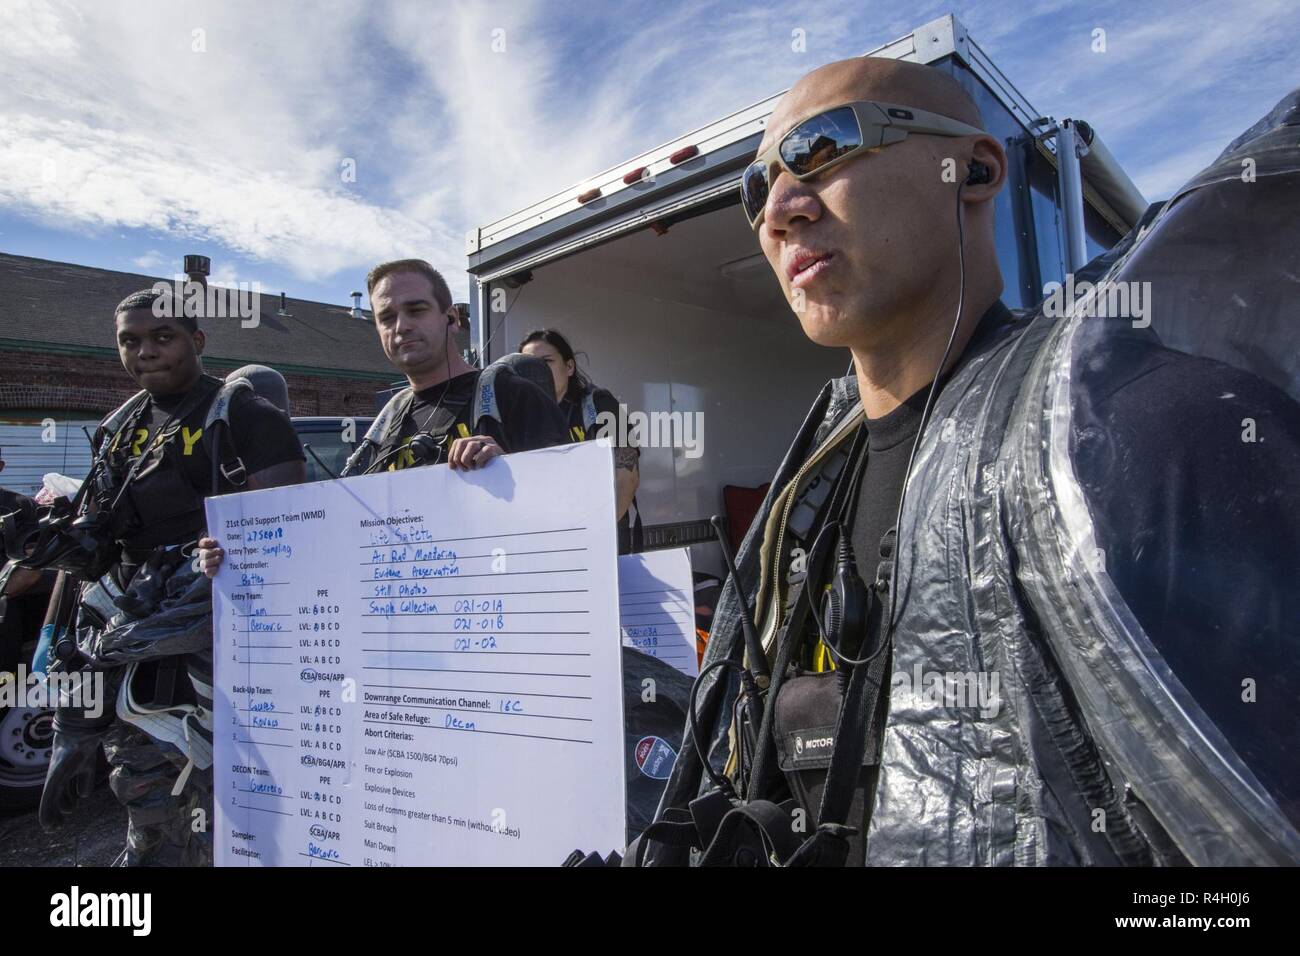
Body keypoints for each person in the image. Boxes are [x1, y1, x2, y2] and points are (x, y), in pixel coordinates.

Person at [636, 59, 1300, 867]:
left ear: (976, 170)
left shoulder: (1147, 430)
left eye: (821, 148)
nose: (778, 210)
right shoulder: (803, 496)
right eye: (755, 190)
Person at [23, 286, 306, 866]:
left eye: (162, 336)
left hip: (224, 668)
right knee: (147, 815)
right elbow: (100, 553)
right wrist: (46, 540)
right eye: (130, 341)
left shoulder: (247, 418)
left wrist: (206, 572)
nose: (145, 351)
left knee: (234, 827)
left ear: (197, 341)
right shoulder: (118, 429)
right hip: (133, 667)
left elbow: (284, 544)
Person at [196, 260, 568, 578]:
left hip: (493, 619)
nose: (401, 325)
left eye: (416, 310)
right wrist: (241, 556)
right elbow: (335, 534)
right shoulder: (385, 423)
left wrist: (511, 471)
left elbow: (571, 507)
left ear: (452, 318)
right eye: (386, 317)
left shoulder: (508, 396)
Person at [520, 329, 641, 550]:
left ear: (569, 367)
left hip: (600, 538)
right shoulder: (521, 419)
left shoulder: (599, 405)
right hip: (546, 540)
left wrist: (592, 534)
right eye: (529, 365)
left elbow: (627, 479)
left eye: (546, 361)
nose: (538, 371)